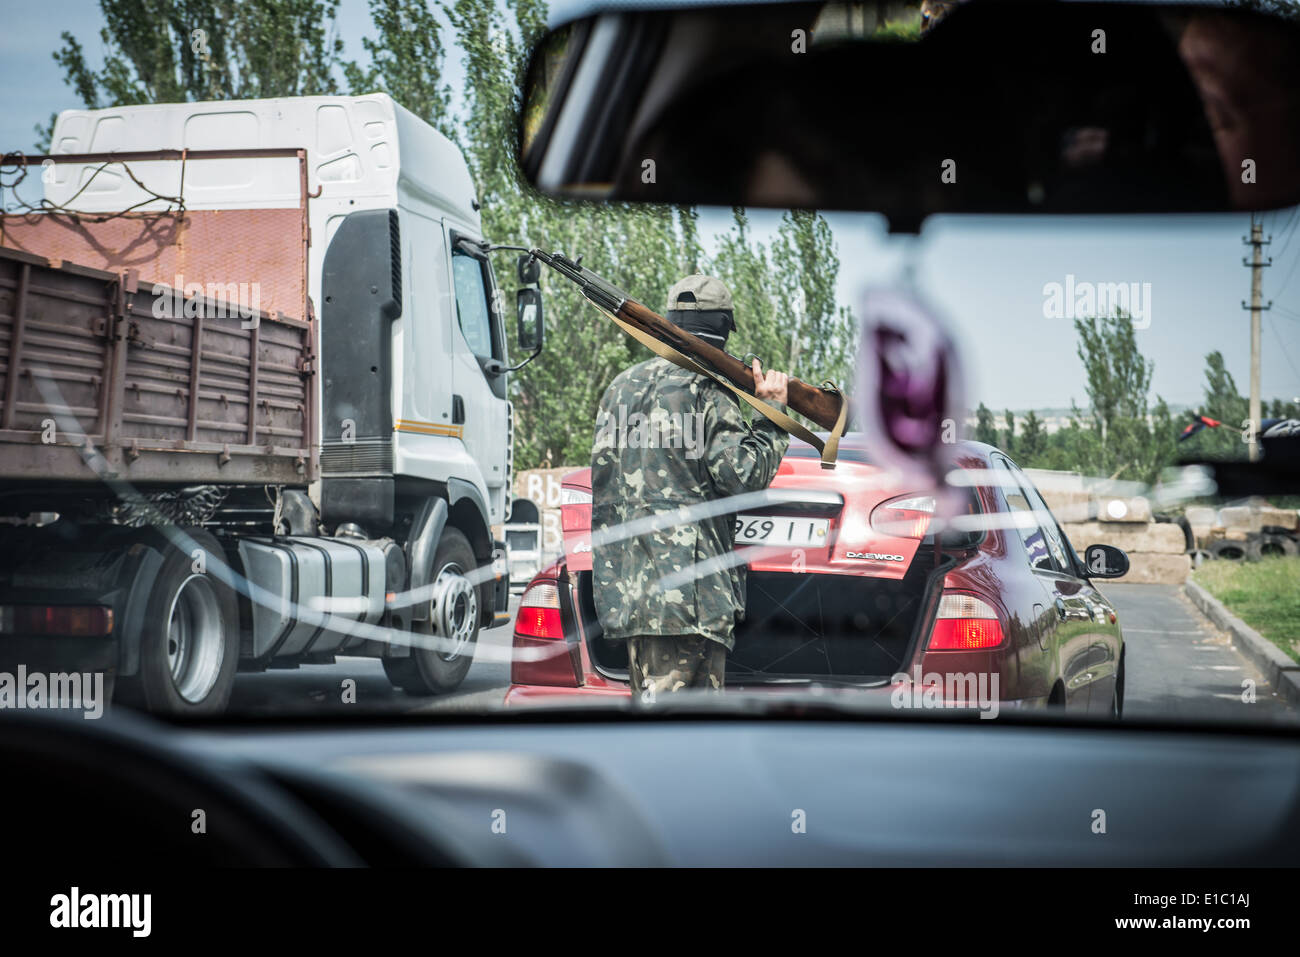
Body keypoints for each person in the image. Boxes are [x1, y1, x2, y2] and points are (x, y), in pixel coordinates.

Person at [590, 274, 790, 699]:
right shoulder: (708, 390)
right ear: (723, 329)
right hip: (689, 601)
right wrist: (772, 414)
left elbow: (607, 491)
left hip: (630, 595)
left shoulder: (618, 389)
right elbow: (743, 477)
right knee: (685, 744)